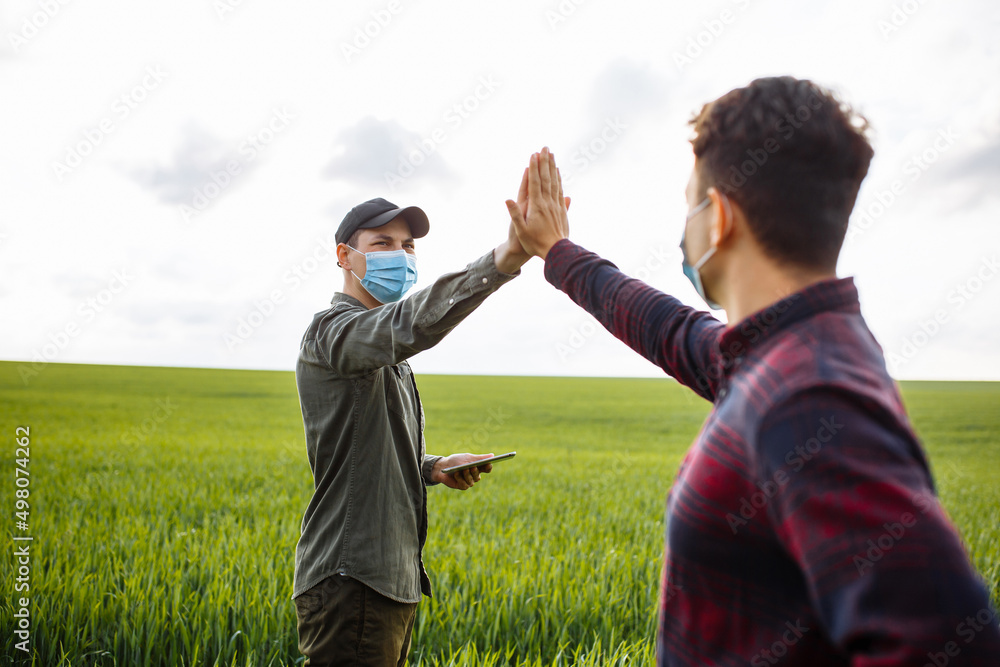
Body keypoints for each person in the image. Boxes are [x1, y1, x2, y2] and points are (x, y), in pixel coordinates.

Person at [507, 77, 1000, 665]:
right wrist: (559, 253)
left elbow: (946, 641)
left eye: (689, 205)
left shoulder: (809, 395)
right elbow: (674, 332)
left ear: (717, 218)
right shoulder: (788, 351)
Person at [291, 184, 543, 666]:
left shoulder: (385, 353)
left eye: (407, 246)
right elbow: (410, 324)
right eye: (381, 244)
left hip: (388, 580)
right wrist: (505, 258)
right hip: (352, 578)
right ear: (345, 256)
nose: (400, 255)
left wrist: (432, 467)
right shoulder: (333, 333)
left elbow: (367, 446)